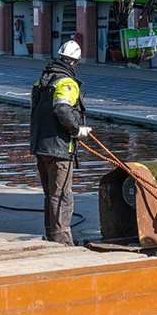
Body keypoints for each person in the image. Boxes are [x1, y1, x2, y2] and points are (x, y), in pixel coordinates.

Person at [29, 40, 91, 245]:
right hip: (59, 149)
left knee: (50, 195)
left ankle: (51, 234)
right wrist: (77, 130)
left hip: (41, 146)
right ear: (75, 63)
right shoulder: (66, 83)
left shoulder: (43, 81)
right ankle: (62, 241)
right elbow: (62, 109)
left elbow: (36, 111)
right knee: (62, 195)